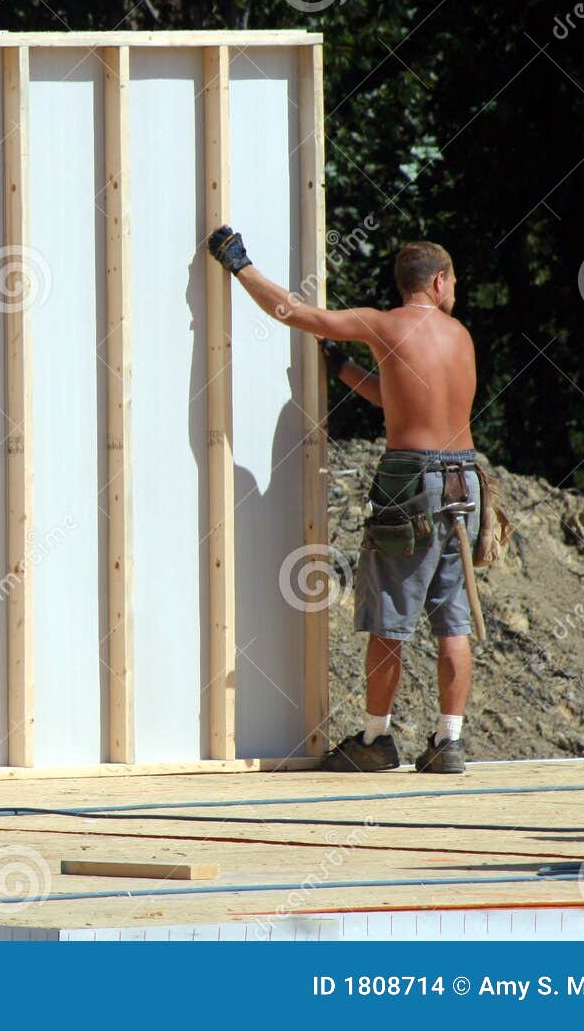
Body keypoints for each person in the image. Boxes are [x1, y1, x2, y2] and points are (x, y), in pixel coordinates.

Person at [206, 228, 480, 774]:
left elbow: (294, 312)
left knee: (389, 618)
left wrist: (240, 265)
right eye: (454, 283)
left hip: (411, 480)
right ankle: (449, 741)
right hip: (465, 480)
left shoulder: (383, 324)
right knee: (453, 619)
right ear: (440, 280)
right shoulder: (459, 336)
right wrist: (345, 371)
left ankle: (376, 740)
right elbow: (397, 395)